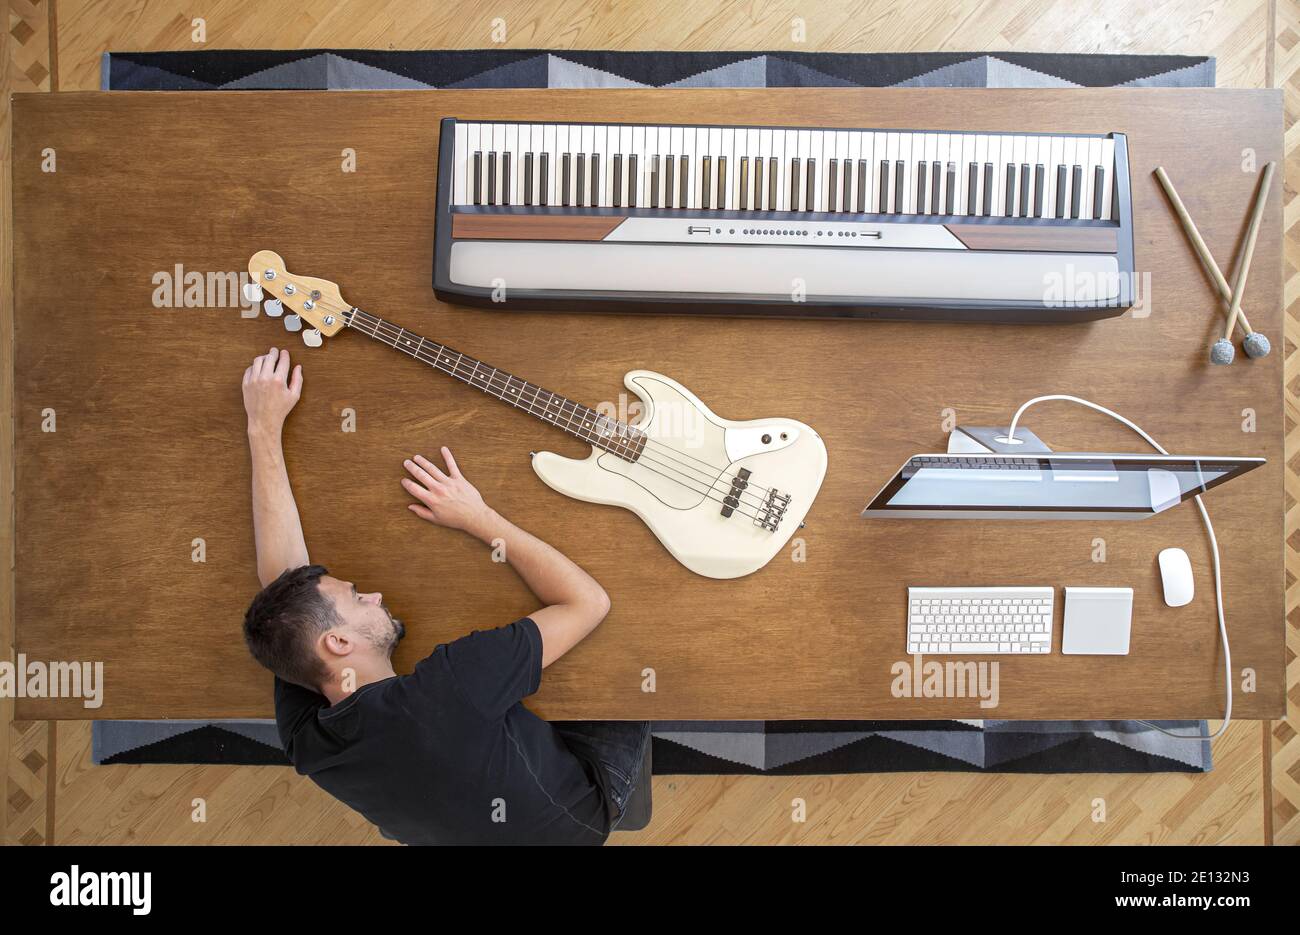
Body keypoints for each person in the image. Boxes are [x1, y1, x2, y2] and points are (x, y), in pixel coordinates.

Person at [240, 345, 650, 844]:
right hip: (582, 812)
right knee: (638, 595)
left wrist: (263, 429)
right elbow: (589, 603)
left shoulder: (312, 728)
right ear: (339, 644)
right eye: (356, 599)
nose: (372, 594)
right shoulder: (447, 689)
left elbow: (286, 587)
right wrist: (479, 519)